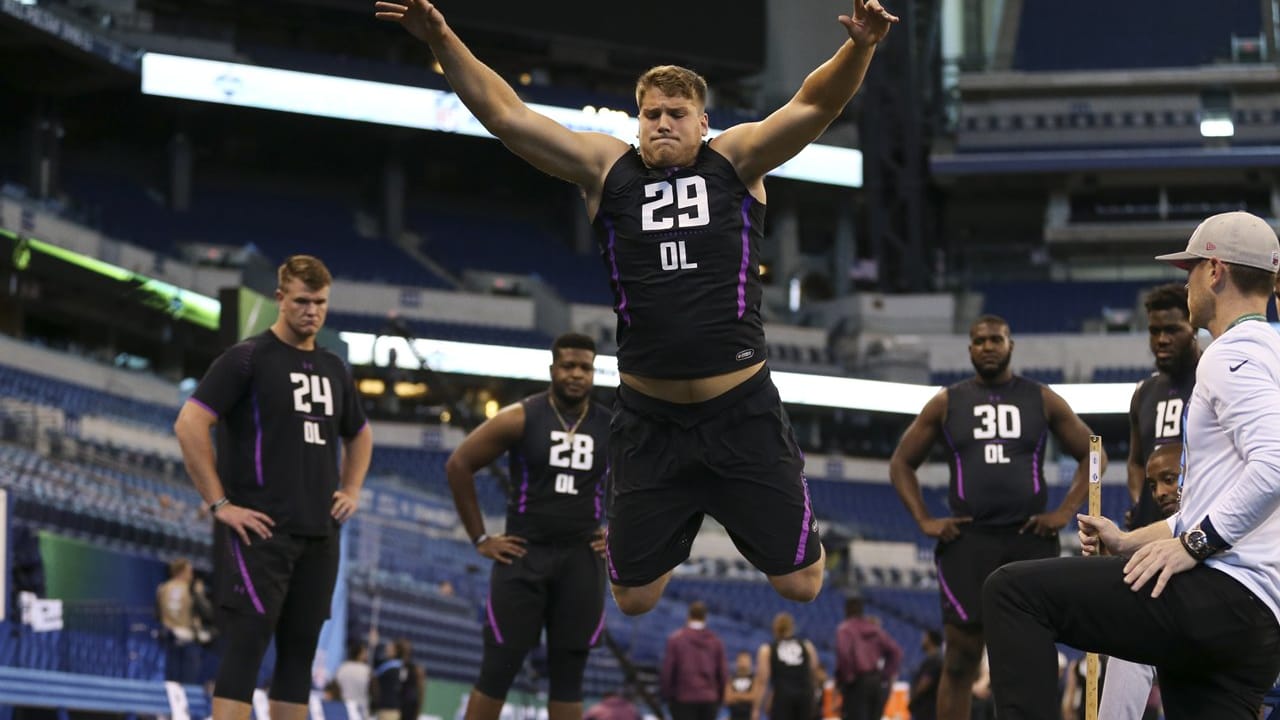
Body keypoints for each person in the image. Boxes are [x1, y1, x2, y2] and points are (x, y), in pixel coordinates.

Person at [375, 0, 898, 616]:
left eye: (677, 114)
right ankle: (683, 512)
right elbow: (507, 116)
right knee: (633, 599)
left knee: (801, 585)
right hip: (651, 421)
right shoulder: (606, 169)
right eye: (651, 114)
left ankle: (722, 500)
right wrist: (441, 37)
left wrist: (859, 48)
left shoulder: (736, 160)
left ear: (704, 123)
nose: (662, 123)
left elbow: (814, 104)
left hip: (741, 413)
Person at [983, 211, 1280, 719]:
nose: (1186, 281)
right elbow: (1221, 498)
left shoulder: (1231, 353)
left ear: (1215, 271)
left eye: (1190, 268)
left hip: (1225, 592)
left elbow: (1274, 464)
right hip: (1257, 623)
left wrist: (1193, 545)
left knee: (1011, 593)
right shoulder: (1271, 351)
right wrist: (1131, 541)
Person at [174, 255, 373, 720]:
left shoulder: (335, 368)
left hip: (319, 536)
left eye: (321, 302)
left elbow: (360, 434)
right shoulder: (247, 358)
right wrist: (220, 503)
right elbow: (190, 423)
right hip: (259, 533)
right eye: (302, 301)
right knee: (245, 650)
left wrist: (352, 489)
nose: (312, 312)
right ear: (280, 299)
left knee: (299, 658)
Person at [889, 314, 1099, 720]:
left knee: (1027, 659)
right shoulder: (948, 401)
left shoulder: (1040, 397)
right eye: (980, 341)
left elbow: (1094, 452)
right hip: (968, 542)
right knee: (960, 659)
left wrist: (1064, 512)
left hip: (1029, 538)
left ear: (1010, 345)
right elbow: (901, 463)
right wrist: (924, 521)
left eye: (996, 339)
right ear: (969, 349)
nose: (988, 347)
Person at [444, 333, 610, 720]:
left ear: (593, 373)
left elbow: (652, 480)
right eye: (568, 366)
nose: (576, 375)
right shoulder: (521, 415)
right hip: (524, 555)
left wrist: (621, 530)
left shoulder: (612, 426)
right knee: (498, 668)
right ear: (553, 369)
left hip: (581, 561)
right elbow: (458, 465)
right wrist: (480, 537)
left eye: (585, 368)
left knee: (570, 674)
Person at [1099, 284, 1199, 720]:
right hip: (1152, 538)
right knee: (1128, 646)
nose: (1161, 339)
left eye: (1172, 329)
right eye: (1154, 330)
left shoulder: (1214, 378)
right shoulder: (1144, 393)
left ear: (1193, 327)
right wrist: (1144, 503)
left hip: (1203, 537)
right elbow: (1136, 461)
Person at [1099, 443, 1183, 720]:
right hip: (1188, 641)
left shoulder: (1235, 514)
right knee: (1131, 639)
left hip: (1255, 635)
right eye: (1152, 485)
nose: (1159, 493)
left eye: (1169, 480)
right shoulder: (1167, 530)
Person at [834, 597, 902, 720]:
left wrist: (847, 679)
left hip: (857, 684)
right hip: (876, 682)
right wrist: (885, 675)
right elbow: (896, 652)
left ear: (846, 611)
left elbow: (844, 655)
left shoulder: (845, 629)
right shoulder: (873, 628)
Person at [661, 601, 728, 720]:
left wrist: (667, 696)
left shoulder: (676, 639)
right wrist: (720, 697)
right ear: (705, 617)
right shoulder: (716, 642)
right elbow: (722, 673)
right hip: (709, 699)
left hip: (683, 699)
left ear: (688, 616)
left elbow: (668, 671)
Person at [753, 612, 821, 720]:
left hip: (782, 698)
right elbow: (814, 674)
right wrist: (814, 699)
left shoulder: (767, 650)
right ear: (792, 627)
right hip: (804, 697)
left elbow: (762, 681)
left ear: (774, 628)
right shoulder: (807, 646)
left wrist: (755, 708)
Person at [157, 557, 201, 684]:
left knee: (171, 677)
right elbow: (197, 613)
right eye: (190, 572)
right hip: (186, 637)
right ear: (181, 572)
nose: (192, 575)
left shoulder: (163, 588)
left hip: (168, 635)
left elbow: (158, 613)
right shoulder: (190, 590)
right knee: (188, 679)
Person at [907, 630, 942, 720]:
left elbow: (926, 682)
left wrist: (913, 698)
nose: (922, 640)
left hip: (927, 708)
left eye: (925, 637)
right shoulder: (934, 658)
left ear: (930, 640)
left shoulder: (935, 659)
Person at [335, 642, 372, 720]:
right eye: (364, 653)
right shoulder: (366, 670)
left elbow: (335, 688)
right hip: (360, 711)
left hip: (343, 710)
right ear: (359, 654)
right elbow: (373, 692)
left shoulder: (342, 667)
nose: (366, 655)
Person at [371, 640, 404, 720]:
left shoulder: (394, 668)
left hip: (389, 710)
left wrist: (375, 646)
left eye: (390, 647)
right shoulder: (394, 666)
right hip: (386, 708)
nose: (386, 648)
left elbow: (377, 667)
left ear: (396, 651)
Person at [396, 638, 425, 720]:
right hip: (396, 707)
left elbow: (421, 691)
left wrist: (418, 711)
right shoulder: (394, 667)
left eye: (408, 648)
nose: (406, 651)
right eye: (404, 648)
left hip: (409, 708)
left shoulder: (416, 669)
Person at [725, 651, 759, 720]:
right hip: (733, 715)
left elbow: (754, 697)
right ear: (737, 661)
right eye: (741, 660)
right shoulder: (731, 679)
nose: (743, 663)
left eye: (745, 660)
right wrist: (746, 696)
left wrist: (735, 695)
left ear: (750, 662)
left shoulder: (754, 679)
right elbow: (727, 698)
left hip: (748, 716)